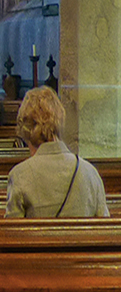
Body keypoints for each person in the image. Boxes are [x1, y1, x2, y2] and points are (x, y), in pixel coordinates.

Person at [6, 86, 108, 218]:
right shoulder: (90, 173)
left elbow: (13, 234)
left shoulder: (20, 175)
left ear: (26, 130)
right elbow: (103, 226)